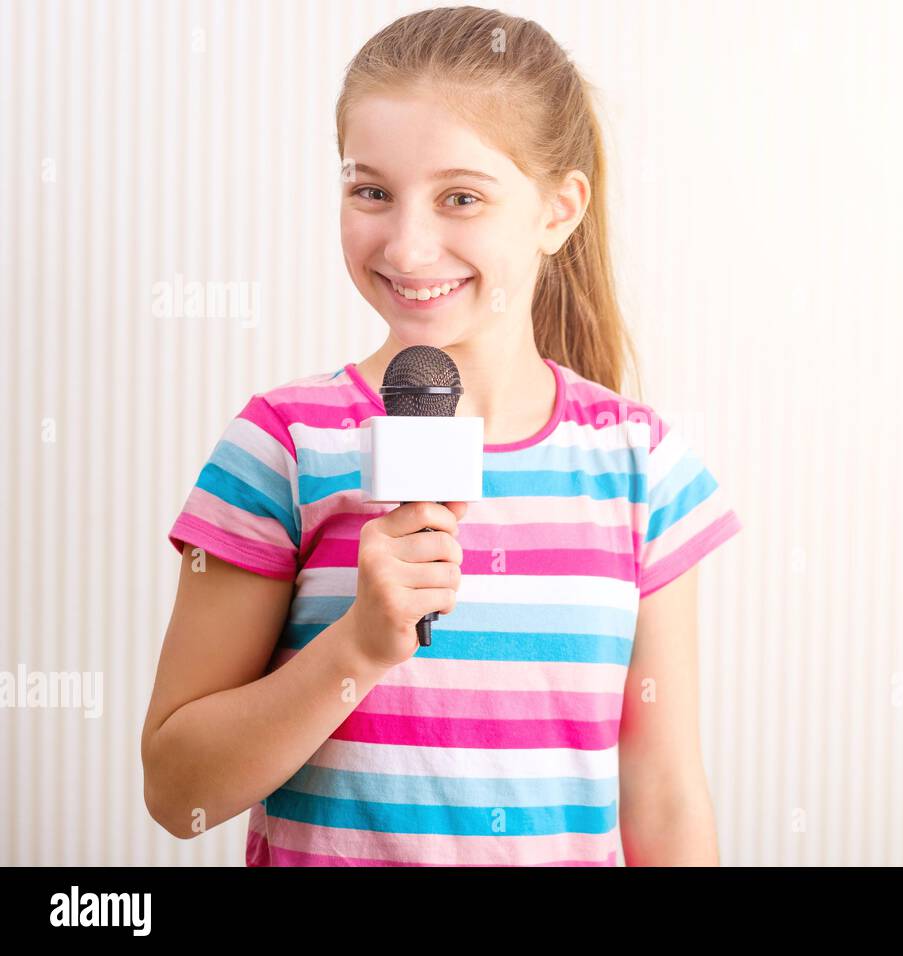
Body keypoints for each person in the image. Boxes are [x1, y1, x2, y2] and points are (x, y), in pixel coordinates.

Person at [141, 6, 742, 866]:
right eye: (372, 192)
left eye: (461, 197)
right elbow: (177, 791)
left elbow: (666, 795)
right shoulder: (283, 446)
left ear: (557, 211)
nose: (409, 245)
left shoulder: (640, 467)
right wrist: (357, 645)